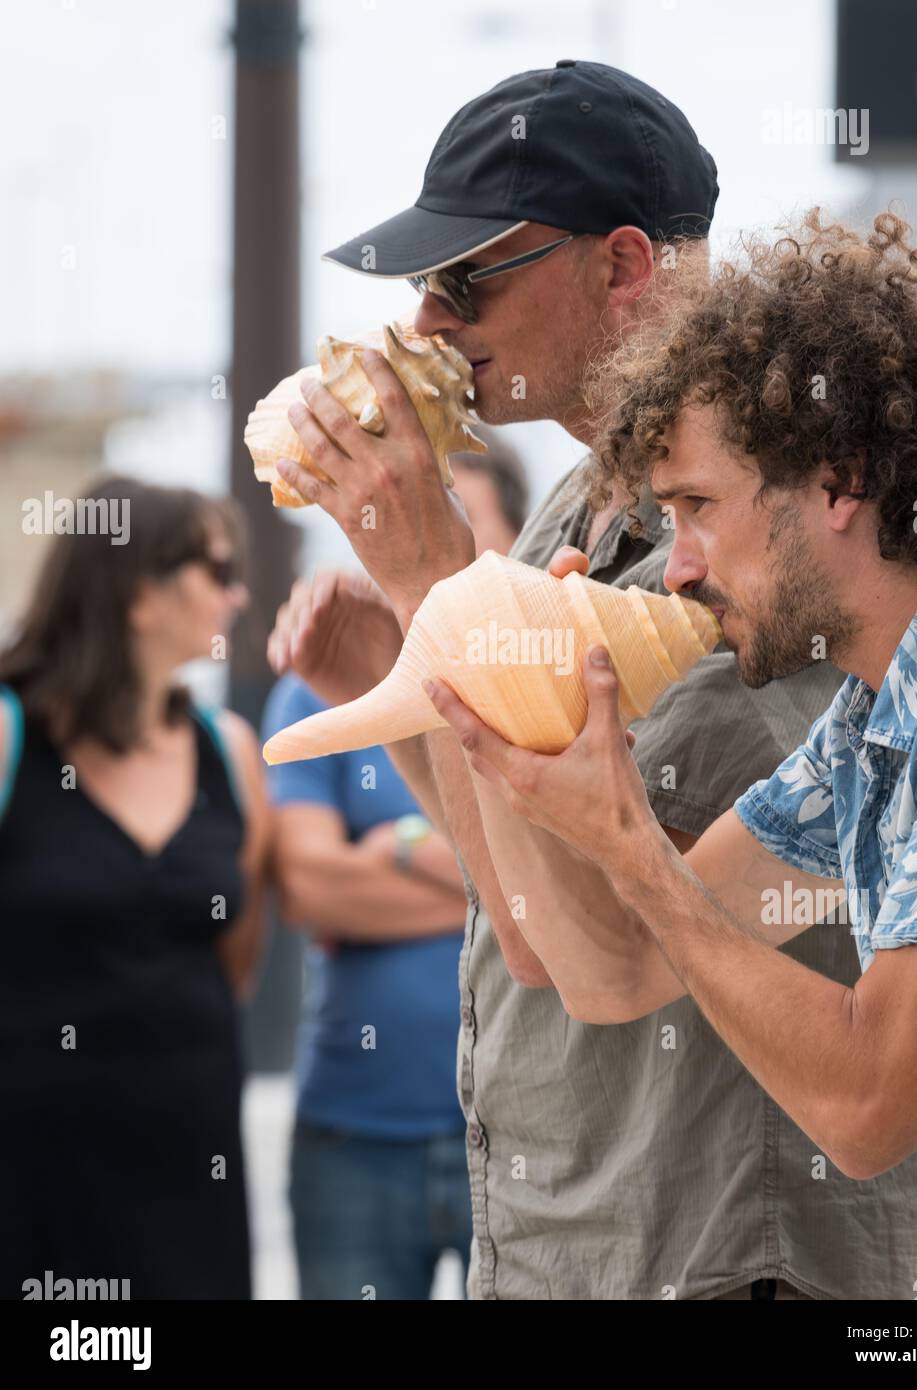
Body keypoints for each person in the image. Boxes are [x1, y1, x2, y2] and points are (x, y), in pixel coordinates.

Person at [266, 62, 917, 1299]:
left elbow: (590, 938)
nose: (427, 323)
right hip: (574, 1237)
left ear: (623, 265)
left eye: (463, 279)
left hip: (724, 1248)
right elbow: (523, 875)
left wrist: (437, 586)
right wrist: (414, 686)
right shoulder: (580, 507)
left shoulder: (775, 527)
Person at [427, 210, 917, 1299]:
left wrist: (636, 850)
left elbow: (862, 1109)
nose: (675, 567)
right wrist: (524, 719)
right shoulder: (864, 721)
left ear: (840, 480)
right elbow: (616, 970)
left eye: (697, 508)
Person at [264, 442, 527, 1300]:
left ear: (520, 541)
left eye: (453, 530)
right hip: (356, 1129)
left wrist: (401, 851)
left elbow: (571, 895)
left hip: (522, 1131)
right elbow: (309, 884)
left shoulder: (545, 688)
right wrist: (498, 892)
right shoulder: (319, 682)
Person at [0, 474, 271, 1300]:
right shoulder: (11, 735)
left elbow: (238, 959)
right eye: (217, 570)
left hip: (193, 1167)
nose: (239, 594)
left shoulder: (228, 749)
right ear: (139, 591)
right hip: (30, 1177)